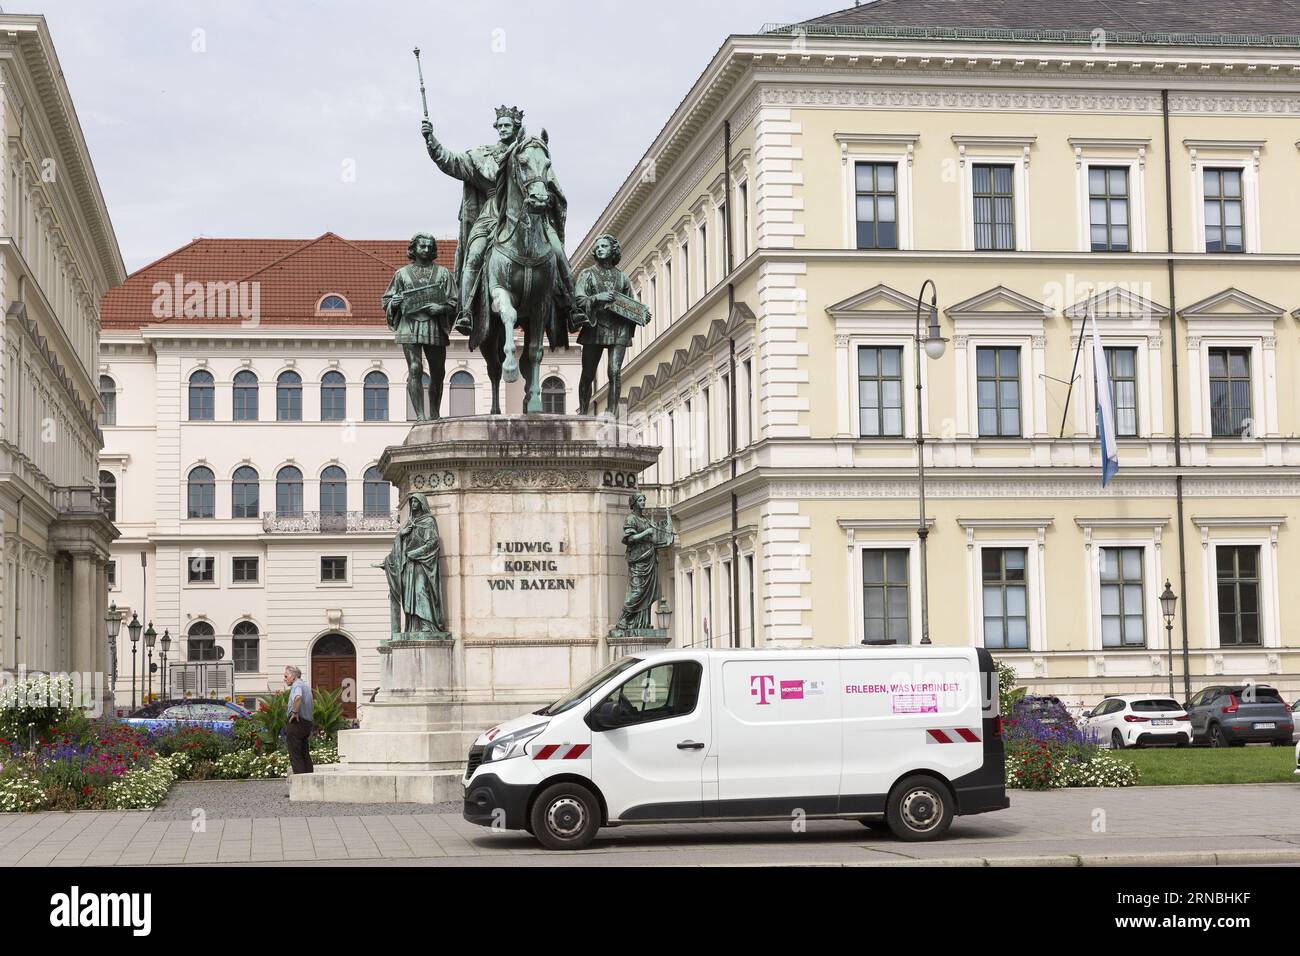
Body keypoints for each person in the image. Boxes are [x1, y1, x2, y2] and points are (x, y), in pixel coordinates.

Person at [420, 105, 579, 346]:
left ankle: (572, 305)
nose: (504, 129)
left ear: (516, 128)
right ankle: (464, 312)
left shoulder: (531, 153)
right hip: (491, 214)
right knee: (473, 255)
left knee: (557, 251)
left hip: (531, 215)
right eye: (500, 125)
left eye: (508, 125)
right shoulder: (482, 156)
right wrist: (431, 140)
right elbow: (449, 161)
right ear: (496, 128)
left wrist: (546, 200)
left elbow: (549, 184)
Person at [382, 233, 457, 420]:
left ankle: (434, 413)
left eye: (430, 247)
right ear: (413, 249)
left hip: (434, 324)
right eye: (422, 246)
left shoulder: (443, 273)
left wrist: (441, 308)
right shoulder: (401, 274)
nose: (426, 250)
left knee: (438, 372)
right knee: (415, 368)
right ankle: (421, 417)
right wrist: (394, 302)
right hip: (409, 324)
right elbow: (387, 299)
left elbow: (455, 302)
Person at [573, 233, 646, 416]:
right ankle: (583, 412)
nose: (599, 249)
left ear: (612, 250)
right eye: (597, 247)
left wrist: (641, 315)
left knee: (614, 371)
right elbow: (578, 299)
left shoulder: (622, 278)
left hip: (619, 328)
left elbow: (631, 304)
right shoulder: (587, 274)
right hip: (594, 325)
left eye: (604, 246)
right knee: (588, 373)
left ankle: (612, 413)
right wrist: (597, 297)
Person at [283, 665, 314, 775]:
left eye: (286, 676)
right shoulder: (305, 686)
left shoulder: (297, 686)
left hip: (297, 723)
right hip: (307, 723)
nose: (285, 678)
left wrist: (295, 712)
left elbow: (298, 697)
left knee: (295, 755)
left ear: (293, 676)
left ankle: (299, 788)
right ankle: (308, 783)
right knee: (304, 753)